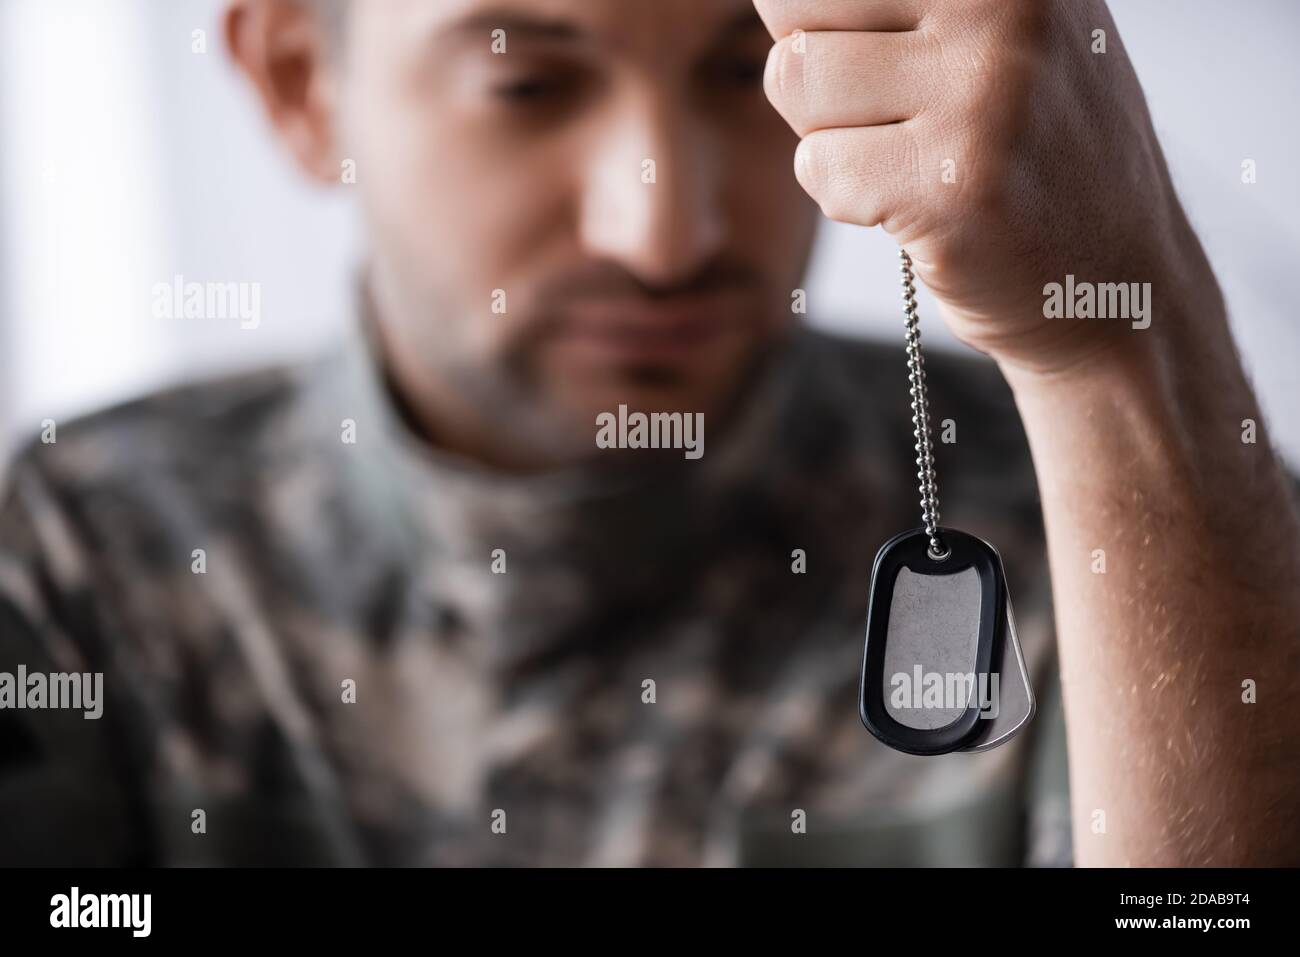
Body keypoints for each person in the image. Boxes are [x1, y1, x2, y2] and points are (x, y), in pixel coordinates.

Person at [0, 0, 1295, 866]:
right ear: (300, 82)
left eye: (750, 72)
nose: (663, 236)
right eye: (532, 84)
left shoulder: (1092, 506)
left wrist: (1127, 352)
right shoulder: (84, 553)